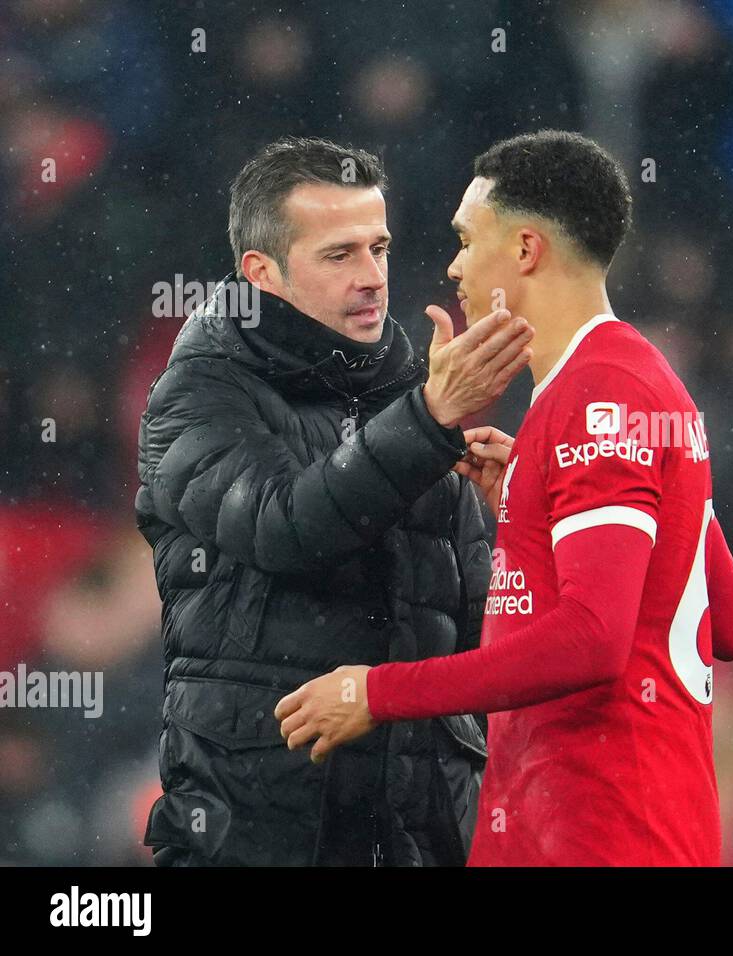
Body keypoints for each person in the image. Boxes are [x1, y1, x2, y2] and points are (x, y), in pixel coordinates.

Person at [275, 130, 733, 866]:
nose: (454, 265)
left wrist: (379, 692)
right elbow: (726, 616)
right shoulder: (639, 384)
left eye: (467, 240)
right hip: (599, 827)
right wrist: (535, 509)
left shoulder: (603, 396)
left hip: (604, 833)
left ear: (526, 251)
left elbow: (595, 637)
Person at [136, 136, 534, 866]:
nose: (373, 277)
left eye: (378, 248)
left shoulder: (415, 401)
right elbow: (284, 526)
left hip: (423, 833)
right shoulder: (196, 396)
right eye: (339, 254)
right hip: (262, 832)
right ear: (262, 273)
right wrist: (427, 422)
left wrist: (517, 519)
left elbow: (479, 642)